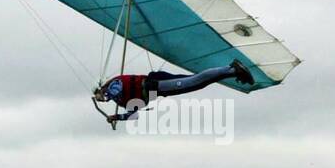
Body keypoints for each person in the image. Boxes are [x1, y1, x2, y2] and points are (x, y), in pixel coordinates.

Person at [93, 60, 255, 124]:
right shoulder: (119, 100)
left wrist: (102, 94)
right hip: (159, 89)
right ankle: (233, 72)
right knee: (197, 83)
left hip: (155, 84)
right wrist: (118, 117)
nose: (103, 99)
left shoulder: (114, 85)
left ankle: (232, 69)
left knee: (193, 81)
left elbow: (112, 92)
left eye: (102, 96)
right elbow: (134, 115)